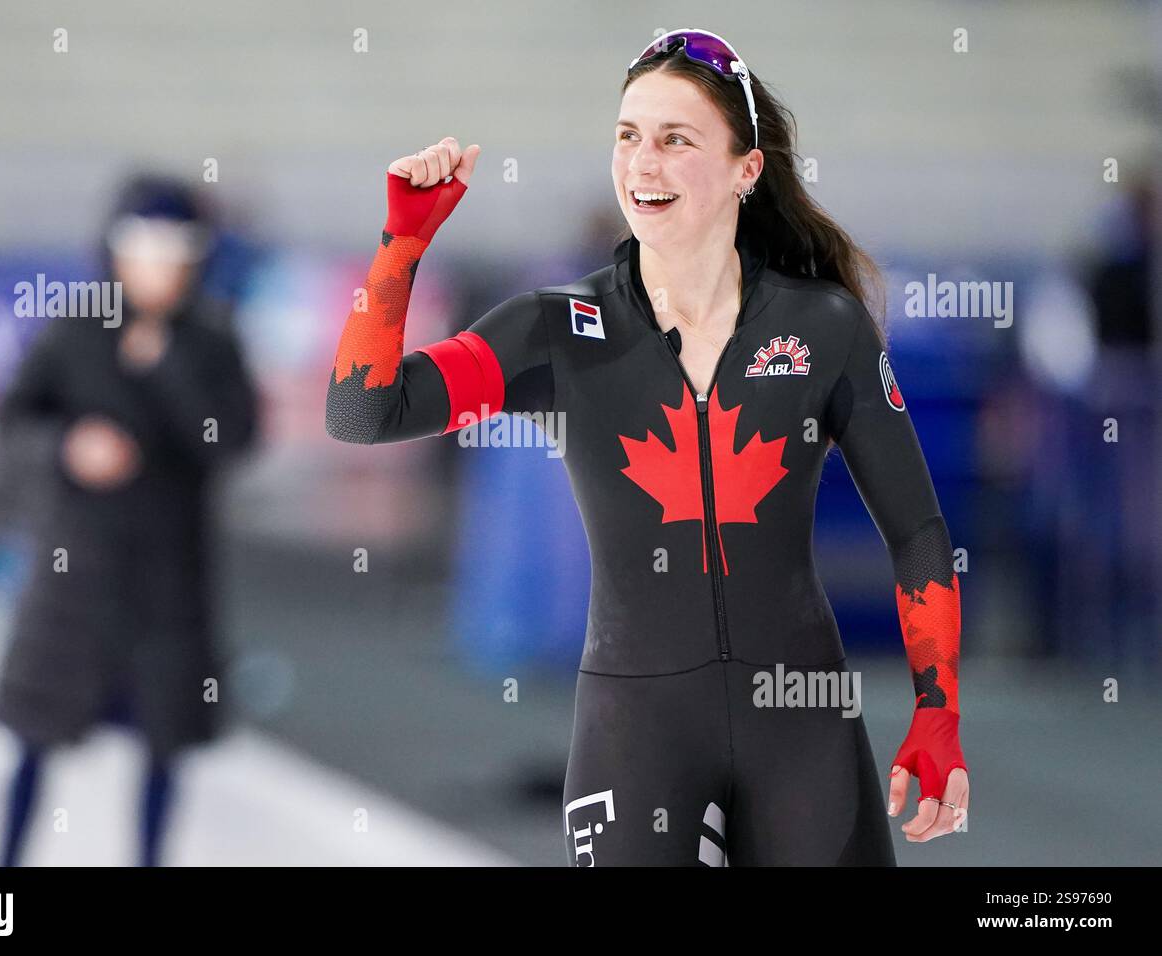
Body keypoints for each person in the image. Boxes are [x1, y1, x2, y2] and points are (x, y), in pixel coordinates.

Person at [325, 29, 967, 865]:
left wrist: (937, 711)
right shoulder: (554, 330)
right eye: (628, 137)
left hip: (801, 723)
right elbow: (361, 413)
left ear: (747, 170)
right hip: (638, 735)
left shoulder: (824, 327)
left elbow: (916, 531)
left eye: (675, 139)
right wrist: (401, 246)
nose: (642, 164)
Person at [0, 173, 259, 866]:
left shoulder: (210, 338)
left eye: (175, 253)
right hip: (72, 579)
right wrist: (67, 449)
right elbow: (9, 429)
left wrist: (168, 367)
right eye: (146, 251)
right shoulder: (75, 327)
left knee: (164, 751)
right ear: (116, 252)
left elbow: (232, 439)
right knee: (34, 743)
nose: (159, 269)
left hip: (168, 584)